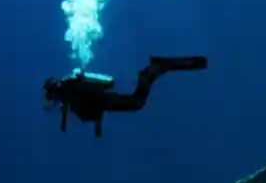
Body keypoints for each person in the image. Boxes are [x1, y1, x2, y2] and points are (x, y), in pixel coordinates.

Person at [42, 55, 208, 136]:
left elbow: (85, 110)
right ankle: (150, 72)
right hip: (104, 100)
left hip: (105, 100)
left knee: (137, 102)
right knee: (137, 102)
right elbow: (90, 111)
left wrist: (95, 124)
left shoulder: (68, 95)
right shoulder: (68, 94)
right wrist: (97, 125)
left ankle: (150, 72)